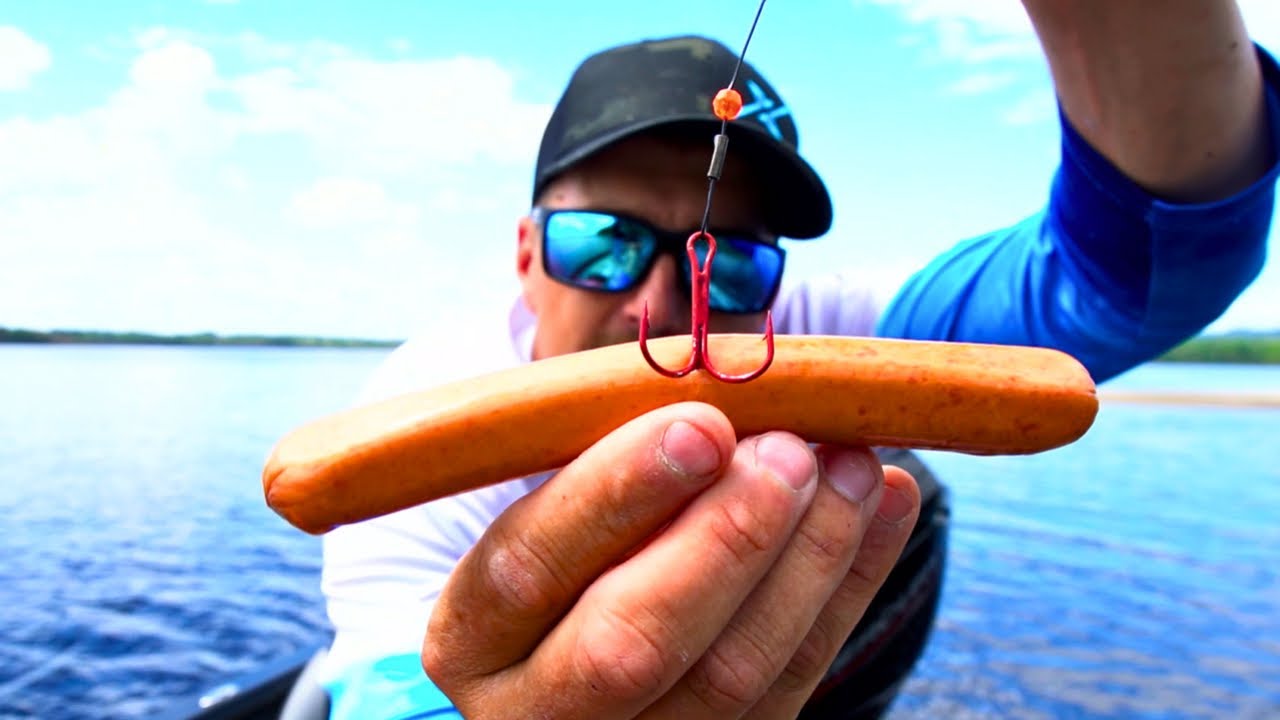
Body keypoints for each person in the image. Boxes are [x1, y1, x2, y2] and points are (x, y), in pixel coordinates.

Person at [314, 4, 1279, 718]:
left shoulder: (801, 327)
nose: (662, 302)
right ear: (526, 255)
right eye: (600, 245)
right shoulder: (421, 410)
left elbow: (1122, 280)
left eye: (731, 259)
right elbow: (387, 693)